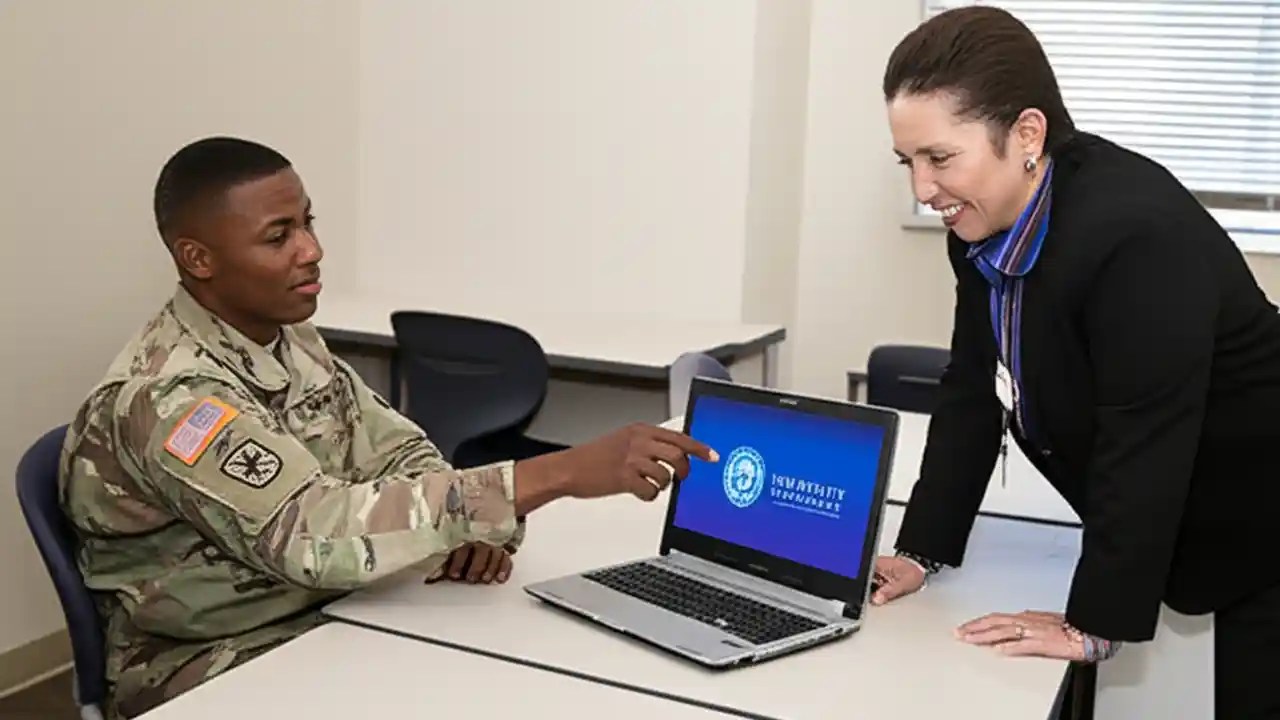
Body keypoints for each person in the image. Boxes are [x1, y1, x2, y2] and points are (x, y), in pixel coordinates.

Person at [58, 136, 719, 719]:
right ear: (199, 258)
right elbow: (310, 533)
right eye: (278, 235)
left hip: (328, 611)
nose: (312, 251)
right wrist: (553, 474)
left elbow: (393, 445)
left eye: (308, 222)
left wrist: (471, 524)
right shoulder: (172, 398)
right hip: (212, 662)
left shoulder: (286, 339)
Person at [867, 7, 1280, 718]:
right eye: (909, 162)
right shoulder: (980, 221)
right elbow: (971, 385)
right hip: (1199, 489)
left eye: (940, 158)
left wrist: (1094, 624)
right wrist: (922, 550)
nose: (922, 190)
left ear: (1026, 134)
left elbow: (1143, 436)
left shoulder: (1135, 235)